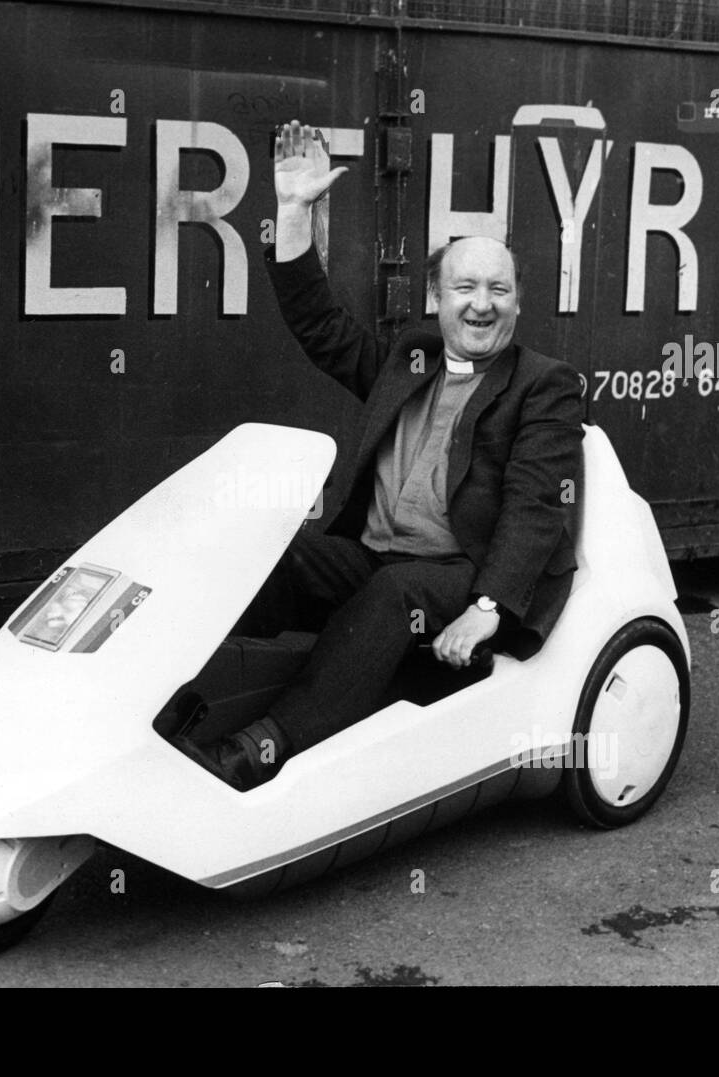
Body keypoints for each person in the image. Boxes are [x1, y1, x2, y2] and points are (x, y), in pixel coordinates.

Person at [174, 120, 584, 792]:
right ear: (437, 298)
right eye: (465, 288)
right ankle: (170, 703)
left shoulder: (544, 382)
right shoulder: (411, 357)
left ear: (518, 299)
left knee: (395, 593)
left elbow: (538, 501)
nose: (482, 305)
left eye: (499, 290)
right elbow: (320, 326)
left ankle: (260, 750)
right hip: (375, 552)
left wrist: (487, 605)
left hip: (463, 568)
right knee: (278, 553)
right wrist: (294, 210)